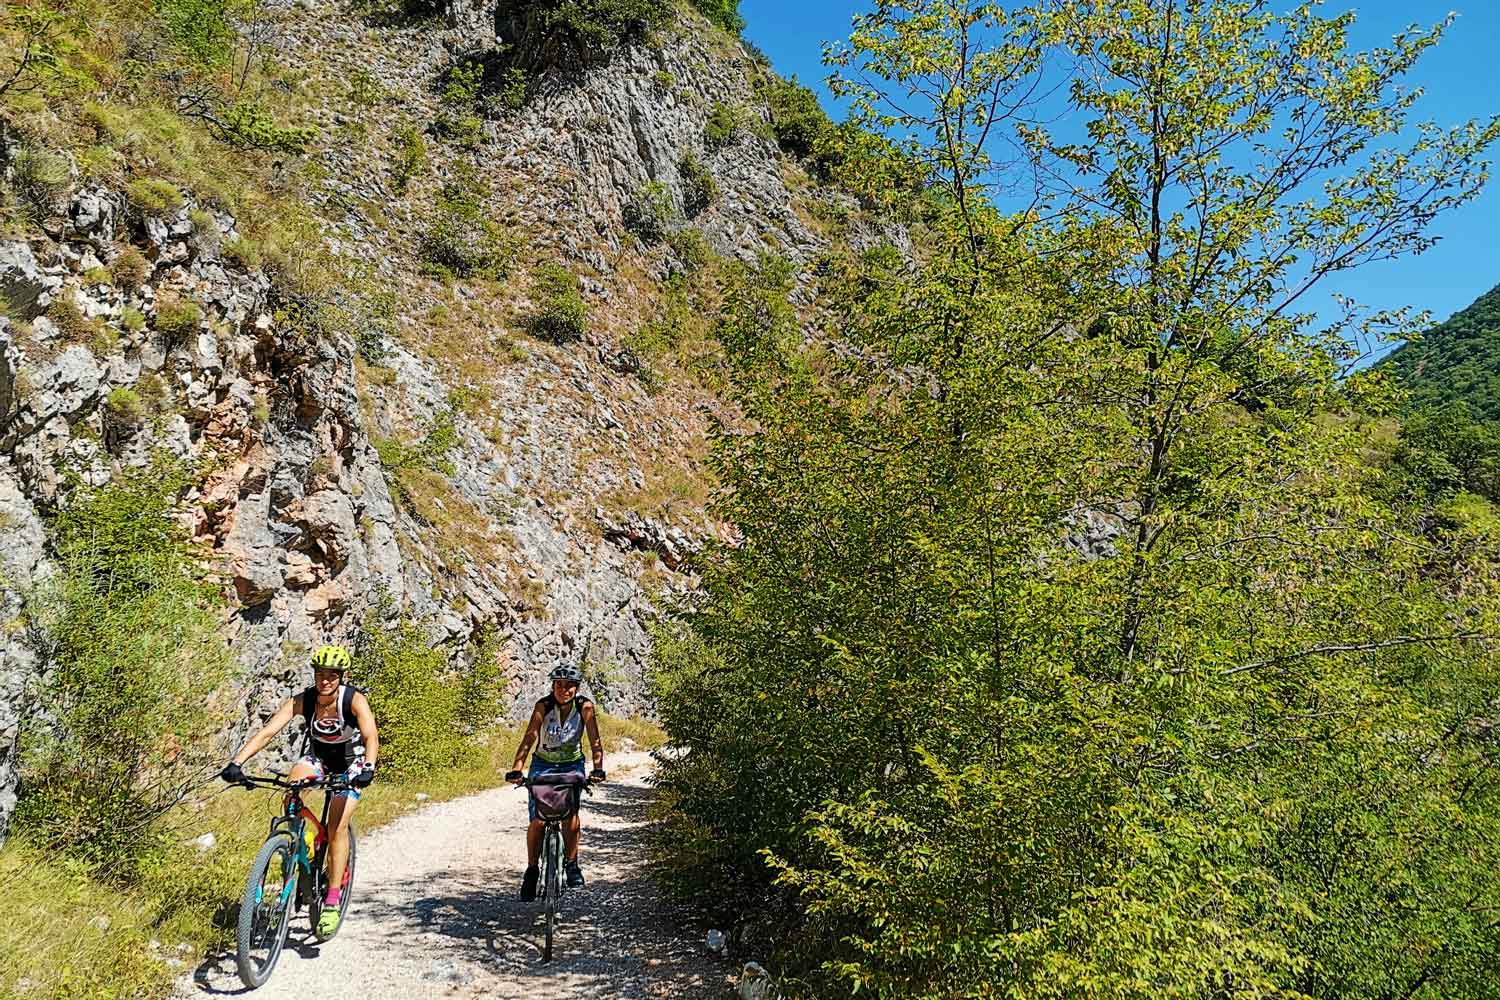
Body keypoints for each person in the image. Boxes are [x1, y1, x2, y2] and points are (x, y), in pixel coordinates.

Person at [220, 644, 379, 936]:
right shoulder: (303, 701)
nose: (326, 680)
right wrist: (237, 762)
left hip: (350, 764)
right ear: (315, 675)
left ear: (341, 677)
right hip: (318, 759)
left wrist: (368, 767)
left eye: (332, 675)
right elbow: (268, 732)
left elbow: (370, 734)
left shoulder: (353, 700)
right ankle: (299, 842)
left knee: (336, 828)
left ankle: (331, 900)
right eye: (321, 674)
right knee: (291, 793)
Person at [505, 664, 606, 901]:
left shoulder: (585, 708)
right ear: (553, 686)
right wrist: (517, 769)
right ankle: (531, 870)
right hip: (543, 764)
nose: (564, 689)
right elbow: (530, 737)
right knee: (538, 820)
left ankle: (572, 863)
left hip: (572, 766)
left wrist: (598, 769)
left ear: (577, 688)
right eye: (559, 684)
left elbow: (595, 741)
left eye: (569, 685)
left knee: (570, 816)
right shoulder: (544, 706)